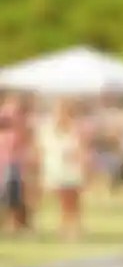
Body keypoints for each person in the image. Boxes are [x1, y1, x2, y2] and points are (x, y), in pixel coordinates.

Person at [38, 99, 87, 242]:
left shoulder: (75, 129)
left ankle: (74, 227)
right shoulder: (48, 129)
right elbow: (43, 149)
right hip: (56, 169)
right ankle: (65, 228)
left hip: (72, 169)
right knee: (63, 201)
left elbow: (81, 149)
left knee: (74, 201)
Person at [0, 94, 33, 233]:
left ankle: (16, 223)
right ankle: (9, 223)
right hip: (5, 163)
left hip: (15, 164)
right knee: (7, 195)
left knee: (15, 195)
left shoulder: (18, 129)